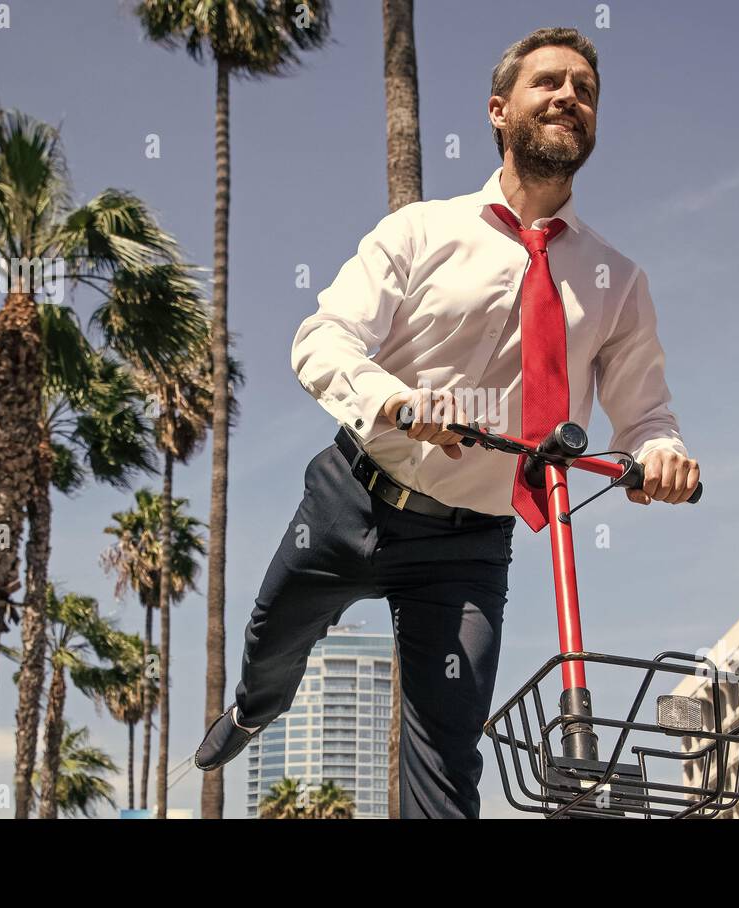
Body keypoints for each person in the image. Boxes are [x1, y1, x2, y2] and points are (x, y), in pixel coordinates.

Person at [194, 26, 700, 818]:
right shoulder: (420, 232)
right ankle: (256, 708)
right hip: (351, 499)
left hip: (467, 548)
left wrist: (663, 453)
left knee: (447, 758)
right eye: (549, 84)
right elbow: (322, 339)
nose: (571, 96)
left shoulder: (617, 281)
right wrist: (396, 401)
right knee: (271, 643)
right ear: (499, 112)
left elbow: (647, 415)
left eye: (586, 90)